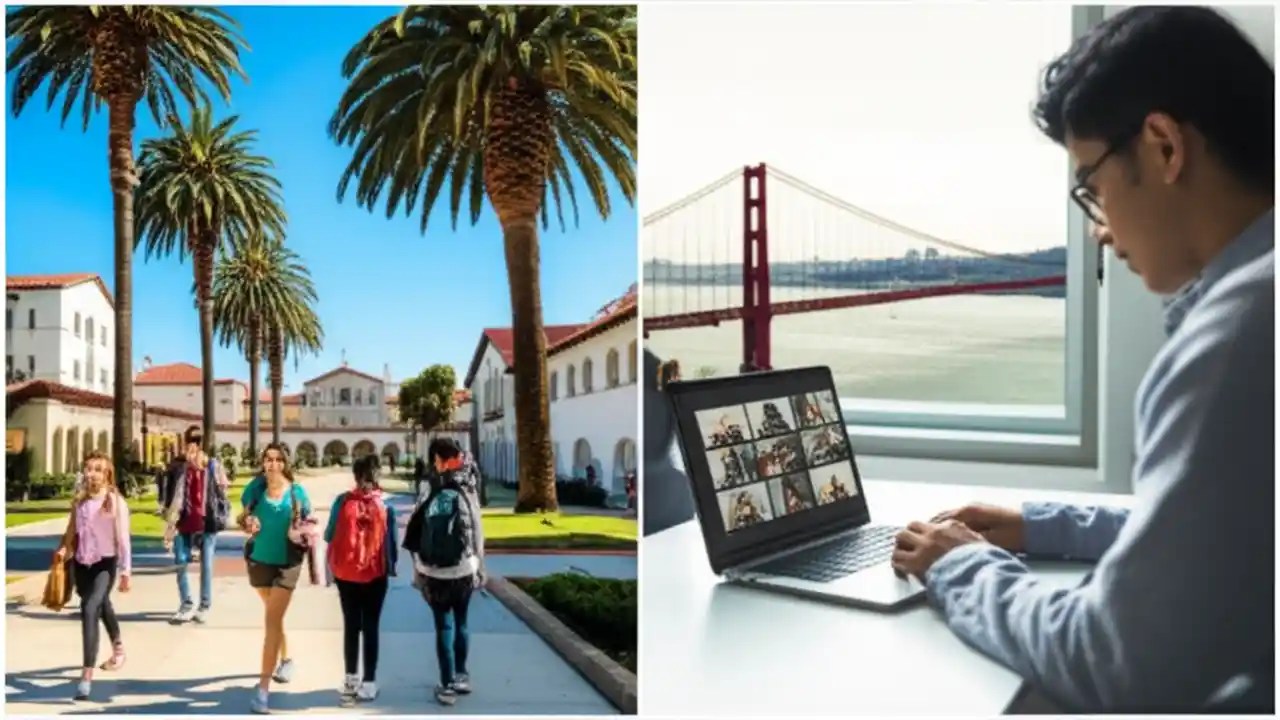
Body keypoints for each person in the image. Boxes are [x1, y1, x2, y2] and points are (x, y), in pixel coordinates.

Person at [890, 7, 1273, 713]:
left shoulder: (1239, 340)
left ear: (1163, 147)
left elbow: (1114, 660)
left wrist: (962, 566)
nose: (1097, 231)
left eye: (1091, 187)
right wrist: (1044, 524)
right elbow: (1229, 535)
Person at [404, 438, 486, 706]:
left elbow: (415, 527)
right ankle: (462, 676)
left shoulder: (428, 486)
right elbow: (476, 528)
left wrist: (417, 569)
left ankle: (447, 684)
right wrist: (480, 566)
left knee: (443, 626)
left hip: (434, 572)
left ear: (437, 460)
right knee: (461, 622)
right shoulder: (469, 485)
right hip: (464, 568)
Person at [238, 443, 316, 714]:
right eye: (268, 459)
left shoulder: (297, 493)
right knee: (274, 615)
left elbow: (309, 521)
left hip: (288, 563)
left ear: (285, 463)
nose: (272, 464)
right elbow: (244, 517)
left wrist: (306, 529)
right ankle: (287, 658)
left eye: (277, 459)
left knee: (271, 620)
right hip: (259, 560)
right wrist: (248, 523)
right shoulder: (255, 489)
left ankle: (262, 690)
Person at [54, 450, 132, 700]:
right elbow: (72, 529)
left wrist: (125, 571)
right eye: (89, 469)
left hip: (104, 565)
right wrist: (64, 549)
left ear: (107, 474)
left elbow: (123, 539)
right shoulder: (80, 501)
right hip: (81, 564)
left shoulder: (115, 502)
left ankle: (86, 676)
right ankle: (118, 647)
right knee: (101, 603)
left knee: (89, 608)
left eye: (98, 469)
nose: (92, 474)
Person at [325, 455, 398, 706]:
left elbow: (328, 534)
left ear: (355, 475)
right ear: (378, 475)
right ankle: (369, 683)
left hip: (346, 574)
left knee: (351, 625)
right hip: (375, 575)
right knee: (371, 626)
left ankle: (350, 679)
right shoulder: (386, 505)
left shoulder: (341, 501)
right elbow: (392, 546)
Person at [161, 430, 230, 625]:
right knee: (181, 564)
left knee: (206, 566)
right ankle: (186, 604)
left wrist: (209, 473)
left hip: (207, 524)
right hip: (183, 524)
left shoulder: (213, 466)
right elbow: (173, 499)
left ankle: (204, 605)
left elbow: (225, 487)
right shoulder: (178, 468)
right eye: (189, 444)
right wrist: (170, 526)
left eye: (196, 444)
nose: (192, 448)